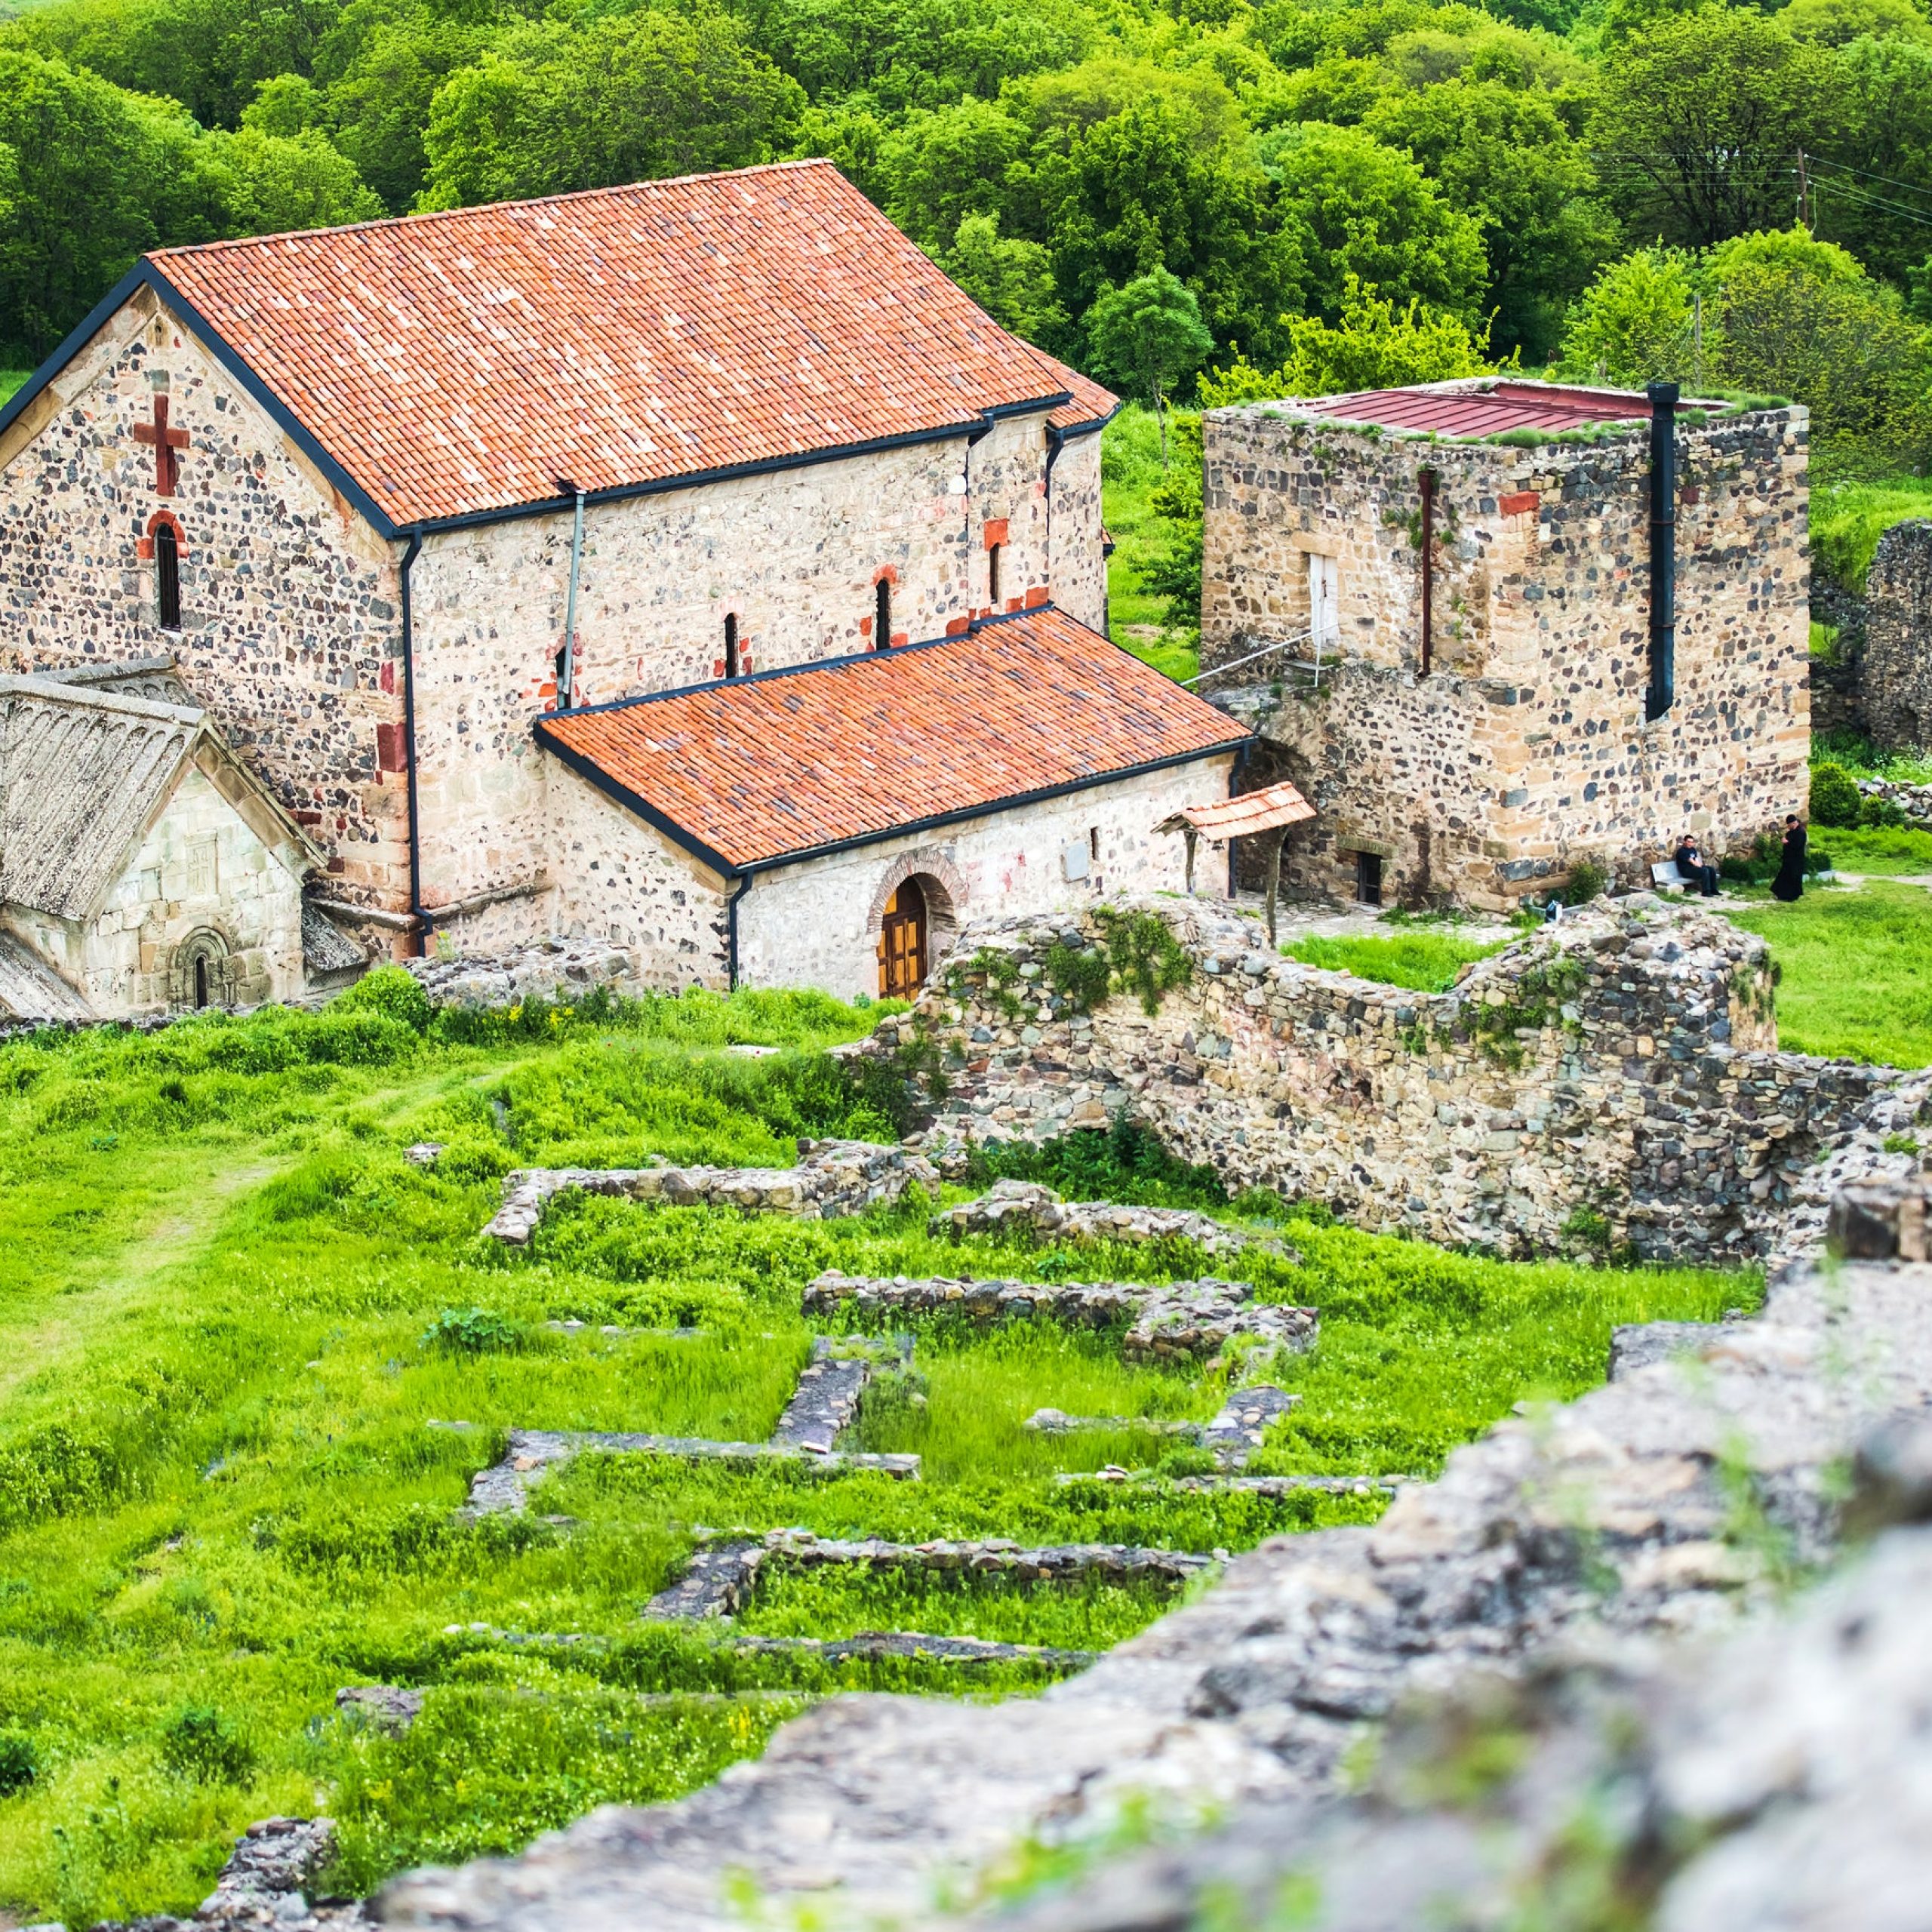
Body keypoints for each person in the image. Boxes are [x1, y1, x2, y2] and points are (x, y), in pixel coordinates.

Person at [1772, 813, 1807, 902]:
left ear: (1793, 823)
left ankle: (1791, 896)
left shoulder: (1801, 832)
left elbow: (1797, 845)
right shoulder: (1792, 832)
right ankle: (1781, 894)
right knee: (1784, 876)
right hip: (1789, 859)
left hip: (1796, 859)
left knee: (1793, 878)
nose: (1788, 827)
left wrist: (1787, 842)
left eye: (1789, 825)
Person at [1673, 832, 1719, 897]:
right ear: (1684, 842)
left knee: (1711, 869)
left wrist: (1700, 866)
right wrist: (1701, 868)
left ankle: (1714, 889)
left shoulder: (1693, 850)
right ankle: (1706, 892)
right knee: (1705, 871)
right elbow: (1692, 861)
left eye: (1691, 842)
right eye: (1688, 842)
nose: (1690, 844)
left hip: (1694, 868)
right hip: (1686, 871)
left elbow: (1696, 860)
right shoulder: (1682, 851)